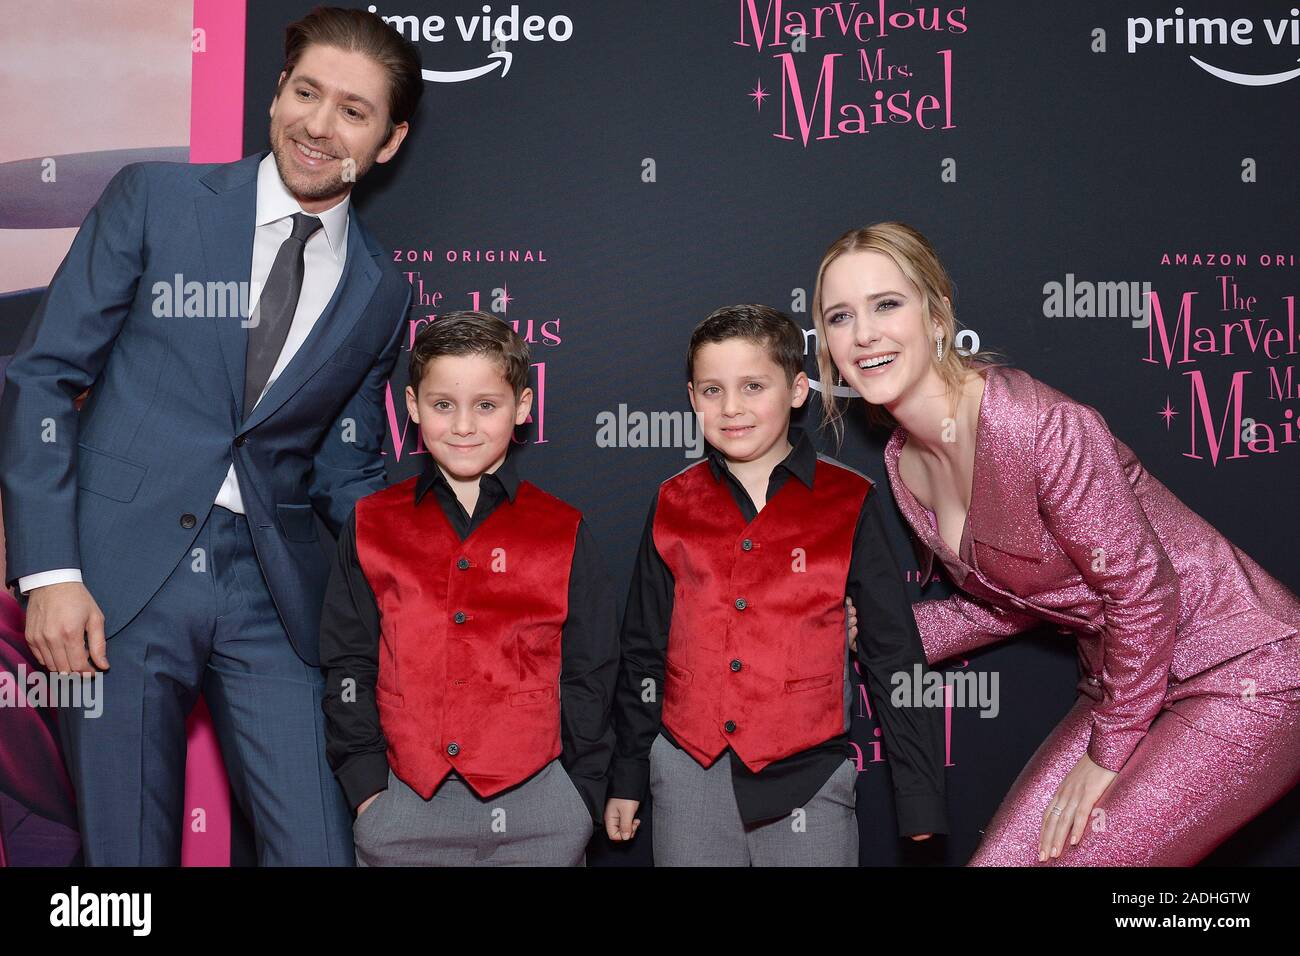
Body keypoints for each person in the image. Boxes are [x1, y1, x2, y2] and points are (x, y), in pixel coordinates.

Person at [0, 6, 421, 865]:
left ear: (388, 140)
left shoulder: (382, 290)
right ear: (276, 93)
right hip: (115, 582)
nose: (318, 124)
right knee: (126, 861)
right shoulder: (155, 199)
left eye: (353, 110)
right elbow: (44, 376)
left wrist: (438, 551)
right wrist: (49, 571)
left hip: (273, 596)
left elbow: (345, 471)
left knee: (317, 850)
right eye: (307, 92)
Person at [820, 221, 1300, 865]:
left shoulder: (1036, 425)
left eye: (886, 304)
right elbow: (1009, 599)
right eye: (840, 316)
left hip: (1244, 673)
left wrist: (1107, 756)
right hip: (1128, 679)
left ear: (938, 317)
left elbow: (1141, 588)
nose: (865, 333)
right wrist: (878, 629)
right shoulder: (904, 464)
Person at [605, 304, 948, 866]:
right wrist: (628, 772)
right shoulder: (673, 502)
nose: (732, 407)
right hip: (690, 777)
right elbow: (644, 650)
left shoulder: (849, 501)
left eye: (752, 386)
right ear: (692, 399)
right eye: (712, 391)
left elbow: (894, 657)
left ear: (796, 391)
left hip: (809, 779)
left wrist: (920, 796)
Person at [320, 311, 619, 866]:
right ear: (411, 406)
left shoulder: (563, 528)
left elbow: (591, 670)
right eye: (442, 405)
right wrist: (367, 790)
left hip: (540, 808)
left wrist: (580, 793)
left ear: (522, 408)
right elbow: (348, 665)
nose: (463, 426)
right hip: (403, 805)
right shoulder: (371, 523)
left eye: (486, 405)